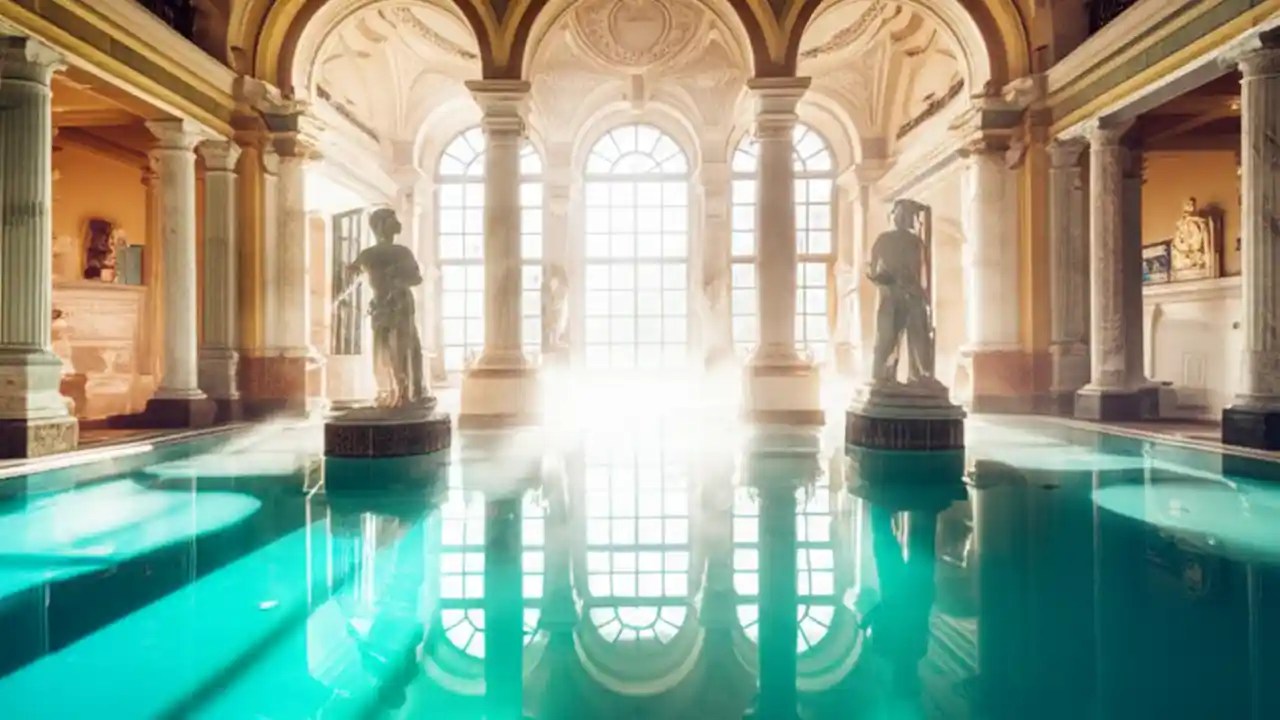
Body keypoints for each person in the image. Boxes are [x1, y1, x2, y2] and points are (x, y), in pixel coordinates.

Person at [345, 208, 428, 408]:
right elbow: (351, 274)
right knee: (384, 347)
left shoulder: (398, 252)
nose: (396, 223)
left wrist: (393, 277)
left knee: (402, 346)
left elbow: (416, 278)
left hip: (399, 302)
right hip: (382, 303)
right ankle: (390, 391)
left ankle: (406, 392)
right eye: (392, 220)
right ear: (381, 226)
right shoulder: (374, 254)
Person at [867, 199, 935, 384]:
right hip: (891, 295)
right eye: (899, 214)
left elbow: (924, 272)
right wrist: (882, 279)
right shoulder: (883, 240)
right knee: (887, 338)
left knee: (919, 337)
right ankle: (883, 375)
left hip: (913, 295)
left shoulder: (916, 242)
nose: (902, 218)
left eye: (906, 215)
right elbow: (871, 269)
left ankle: (920, 375)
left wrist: (924, 295)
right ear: (894, 216)